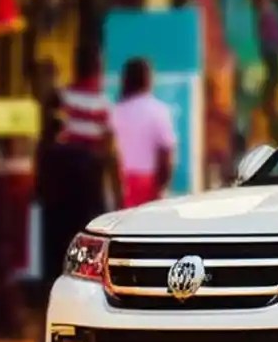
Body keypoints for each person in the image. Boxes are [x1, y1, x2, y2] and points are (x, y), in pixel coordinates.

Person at [34, 46, 120, 287]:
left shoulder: (62, 97)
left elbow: (48, 137)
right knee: (85, 237)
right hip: (88, 181)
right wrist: (116, 193)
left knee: (58, 237)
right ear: (97, 70)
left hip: (60, 180)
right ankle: (81, 281)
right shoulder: (103, 104)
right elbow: (109, 149)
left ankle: (54, 283)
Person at [111, 57, 177, 207]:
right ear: (148, 80)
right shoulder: (159, 111)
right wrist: (161, 188)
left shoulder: (115, 112)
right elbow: (167, 156)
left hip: (119, 185)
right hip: (149, 185)